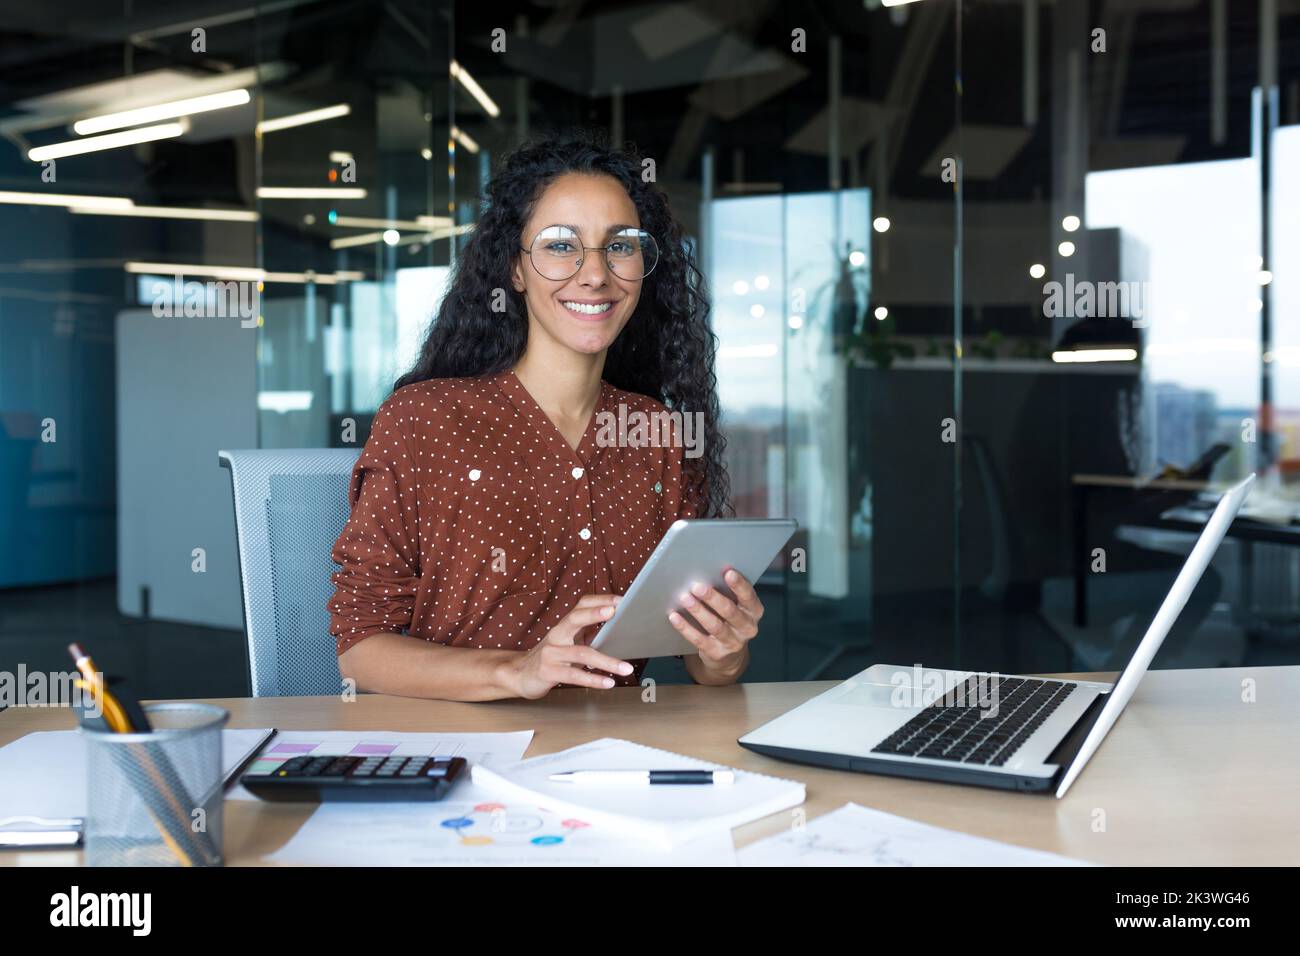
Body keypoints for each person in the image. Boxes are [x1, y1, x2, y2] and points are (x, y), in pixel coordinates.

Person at [327, 132, 765, 701]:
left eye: (620, 245)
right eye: (561, 245)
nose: (595, 273)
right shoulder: (424, 419)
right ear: (515, 269)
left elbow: (705, 666)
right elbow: (362, 650)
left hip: (611, 757)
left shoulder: (659, 432)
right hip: (465, 751)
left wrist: (725, 649)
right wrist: (516, 671)